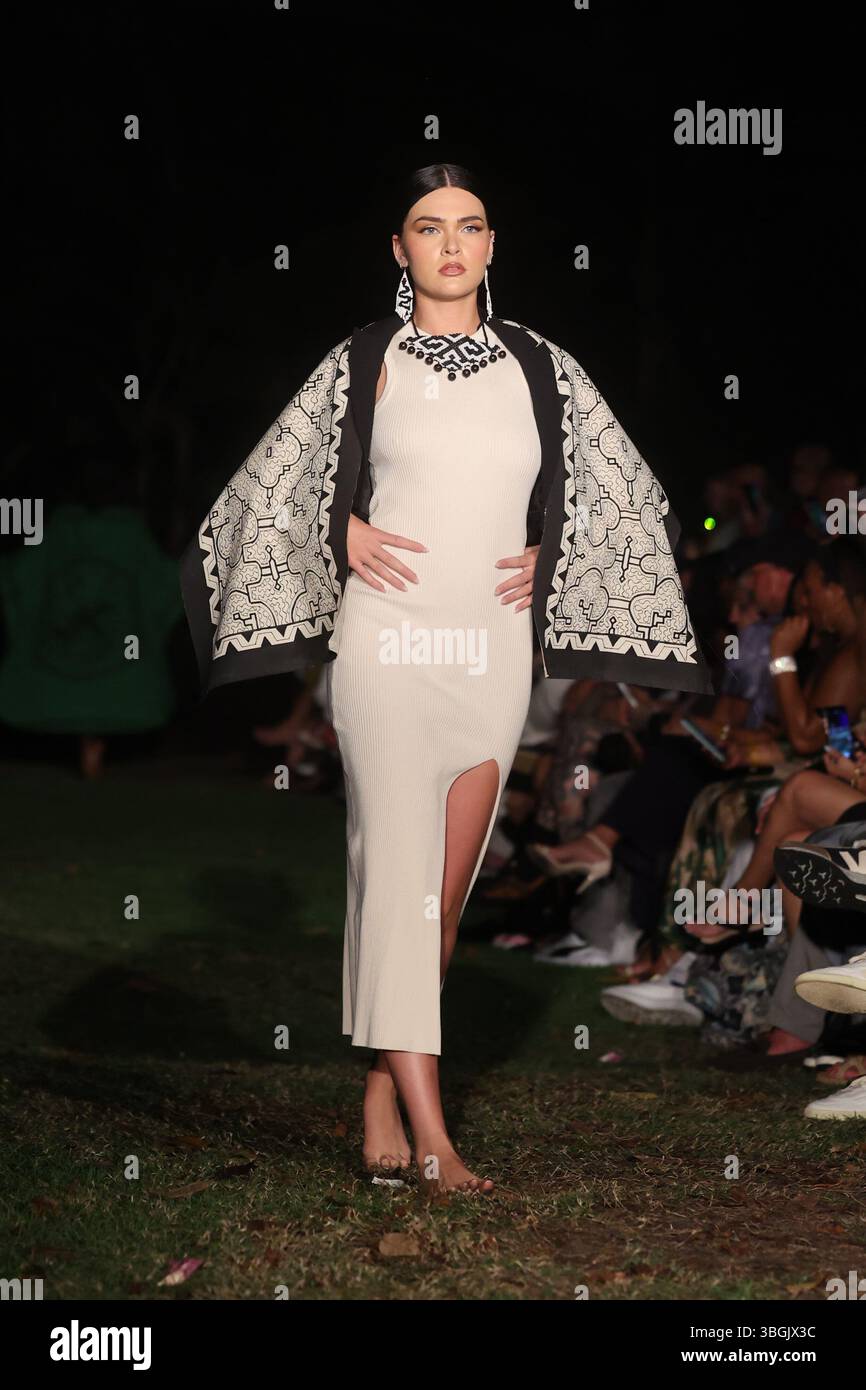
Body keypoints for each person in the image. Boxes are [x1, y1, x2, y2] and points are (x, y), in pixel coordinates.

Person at [180, 162, 709, 1196]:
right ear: (398, 249)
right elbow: (266, 489)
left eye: (469, 226)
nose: (451, 244)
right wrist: (339, 527)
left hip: (490, 649)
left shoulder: (541, 366)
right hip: (385, 640)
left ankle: (379, 1083)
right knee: (399, 880)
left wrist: (552, 551)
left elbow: (630, 497)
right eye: (428, 228)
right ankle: (431, 1131)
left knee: (447, 896)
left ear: (492, 245)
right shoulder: (364, 360)